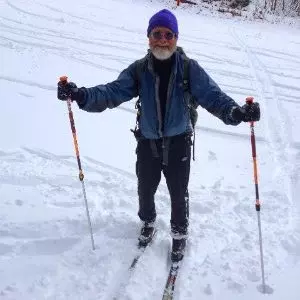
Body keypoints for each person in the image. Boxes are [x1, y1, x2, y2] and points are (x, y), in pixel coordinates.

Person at [57, 9, 260, 262]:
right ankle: (148, 222)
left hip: (179, 142)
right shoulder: (140, 70)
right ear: (149, 37)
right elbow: (113, 91)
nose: (162, 39)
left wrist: (236, 112)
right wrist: (81, 95)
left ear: (176, 37)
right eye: (157, 34)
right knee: (145, 189)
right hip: (148, 141)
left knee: (178, 192)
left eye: (168, 34)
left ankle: (179, 233)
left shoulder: (189, 68)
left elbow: (213, 96)